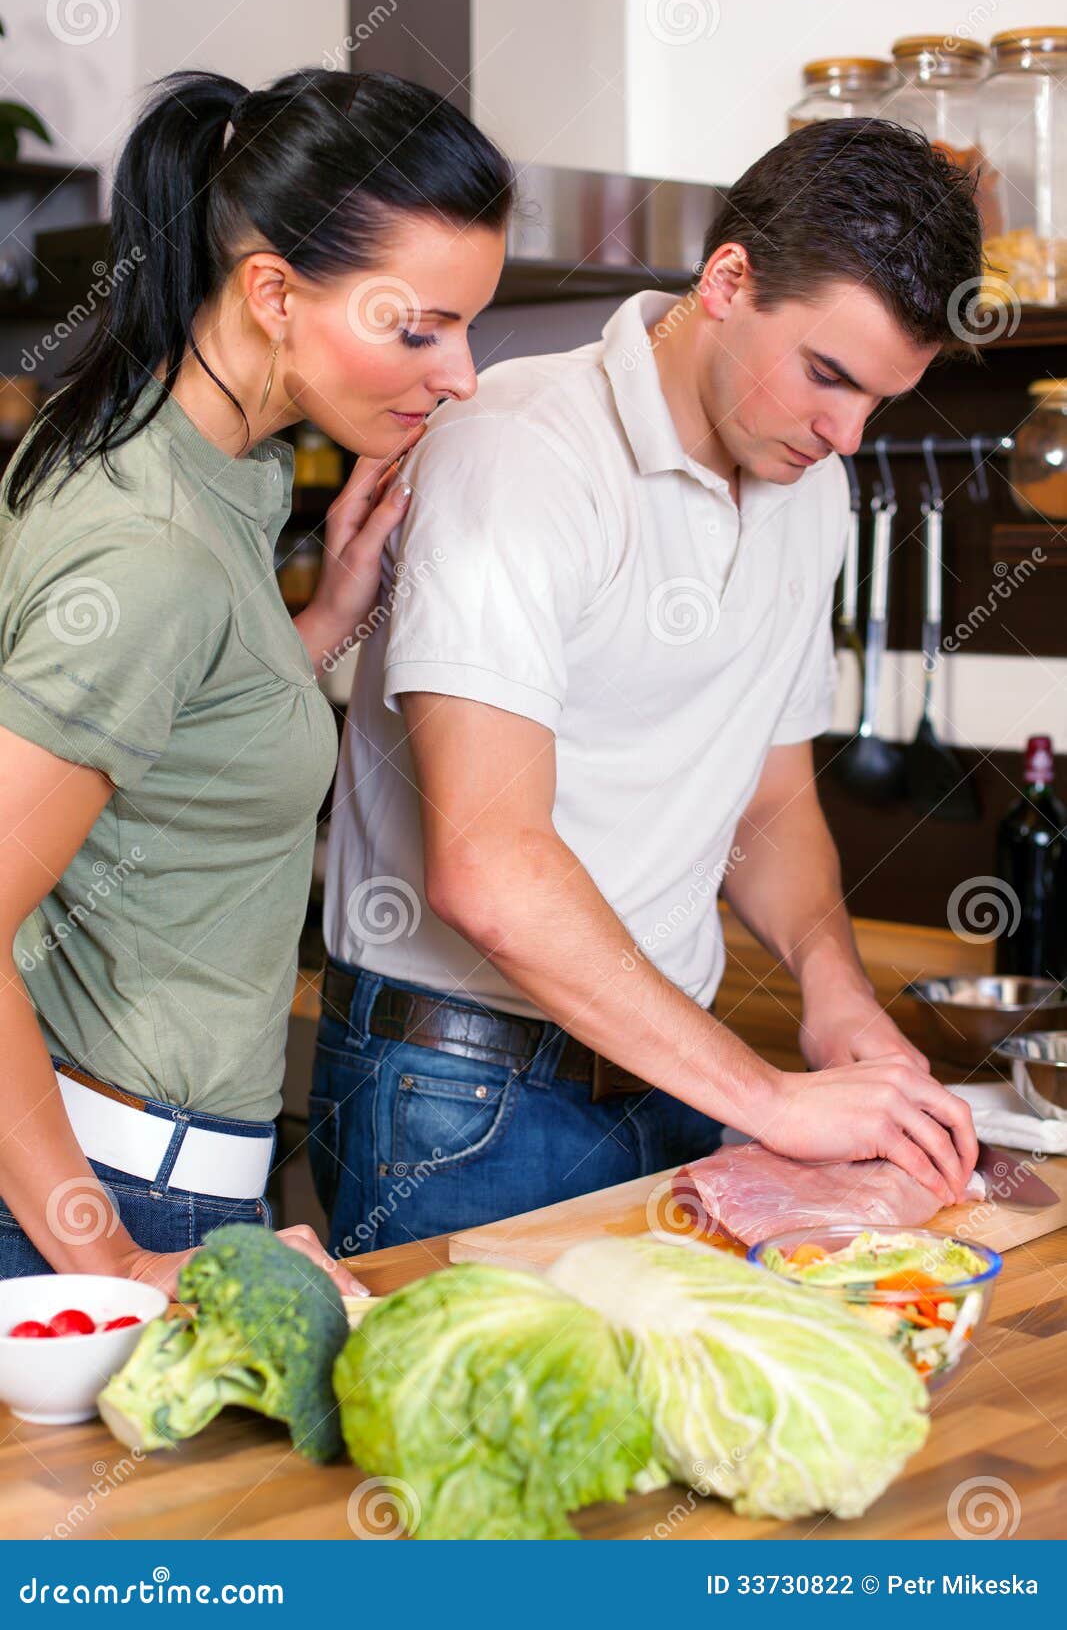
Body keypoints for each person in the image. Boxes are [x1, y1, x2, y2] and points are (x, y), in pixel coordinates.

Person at [313, 117, 982, 1256]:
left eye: (880, 399)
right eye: (827, 375)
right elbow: (486, 864)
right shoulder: (520, 452)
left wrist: (834, 995)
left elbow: (765, 801)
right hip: (459, 1100)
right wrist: (768, 1100)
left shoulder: (804, 483)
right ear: (727, 281)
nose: (846, 433)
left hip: (678, 1077)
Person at [0, 66, 513, 1295]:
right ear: (274, 292)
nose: (462, 374)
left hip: (141, 1167)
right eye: (419, 325)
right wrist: (114, 1258)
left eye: (469, 324)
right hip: (105, 1190)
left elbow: (164, 751)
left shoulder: (171, 460)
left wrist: (323, 618)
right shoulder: (153, 552)